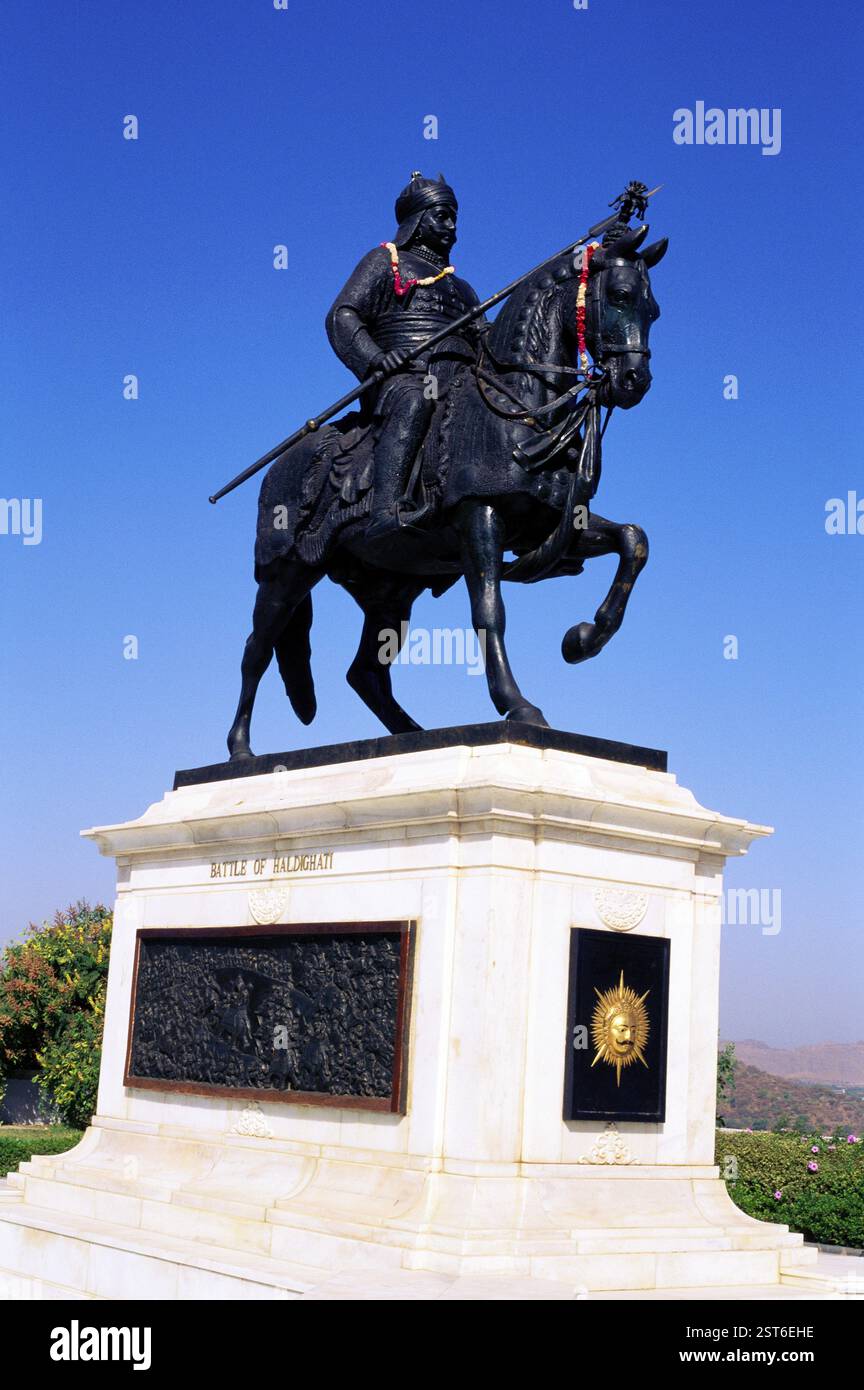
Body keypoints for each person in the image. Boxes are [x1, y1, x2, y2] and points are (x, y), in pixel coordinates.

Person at [326, 172, 487, 540]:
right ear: (417, 218)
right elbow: (343, 315)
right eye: (442, 215)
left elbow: (482, 338)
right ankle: (386, 509)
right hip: (404, 375)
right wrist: (375, 358)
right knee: (416, 400)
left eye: (454, 217)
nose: (451, 225)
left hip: (460, 378)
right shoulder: (385, 260)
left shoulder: (461, 286)